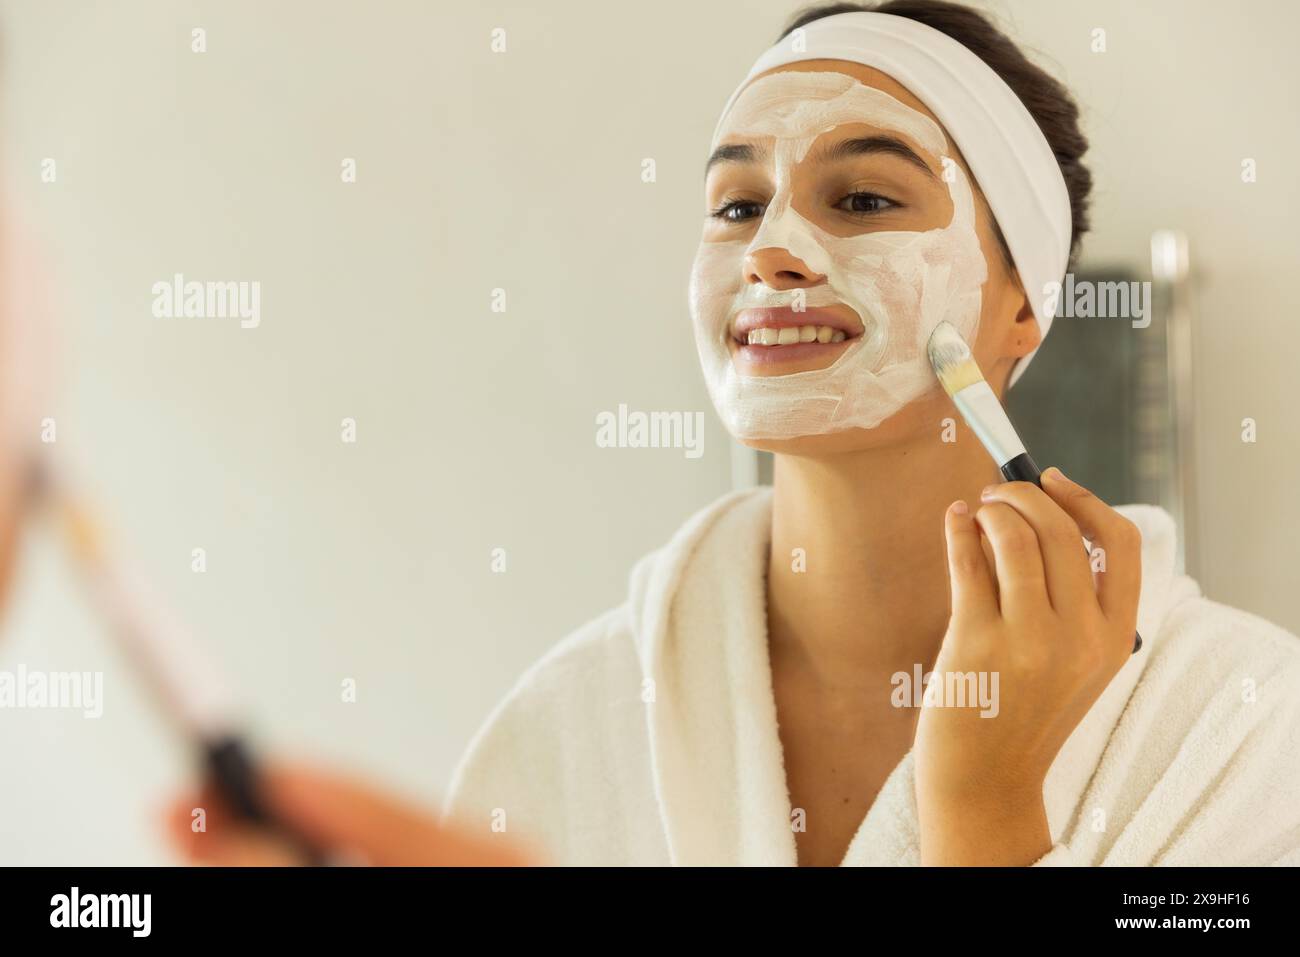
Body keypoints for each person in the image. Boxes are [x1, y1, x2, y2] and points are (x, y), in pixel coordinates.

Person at [171, 0, 1300, 867]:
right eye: (734, 205)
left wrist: (985, 815)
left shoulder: (1243, 729)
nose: (771, 248)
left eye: (861, 200)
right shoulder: (572, 721)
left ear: (1023, 307)